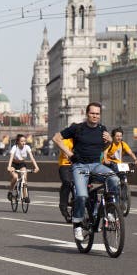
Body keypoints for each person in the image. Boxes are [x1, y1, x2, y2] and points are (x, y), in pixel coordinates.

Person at [52, 102, 119, 242]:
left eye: (97, 114)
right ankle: (77, 224)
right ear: (87, 113)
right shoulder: (77, 128)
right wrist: (70, 154)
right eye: (92, 113)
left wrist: (110, 141)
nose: (95, 116)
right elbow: (56, 138)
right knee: (82, 195)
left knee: (114, 179)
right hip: (80, 166)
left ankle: (111, 212)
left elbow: (104, 146)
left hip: (96, 165)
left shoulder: (102, 129)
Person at [6, 134, 39, 203]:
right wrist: (9, 166)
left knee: (24, 178)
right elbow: (11, 157)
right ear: (18, 142)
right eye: (22, 141)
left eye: (24, 141)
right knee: (15, 177)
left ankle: (25, 196)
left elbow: (32, 158)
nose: (23, 143)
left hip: (22, 164)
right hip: (14, 164)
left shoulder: (27, 147)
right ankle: (10, 192)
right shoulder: (14, 147)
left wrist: (36, 167)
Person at [57, 137, 74, 220]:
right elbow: (65, 152)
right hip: (65, 165)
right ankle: (63, 206)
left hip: (77, 166)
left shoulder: (81, 140)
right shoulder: (65, 141)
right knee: (67, 182)